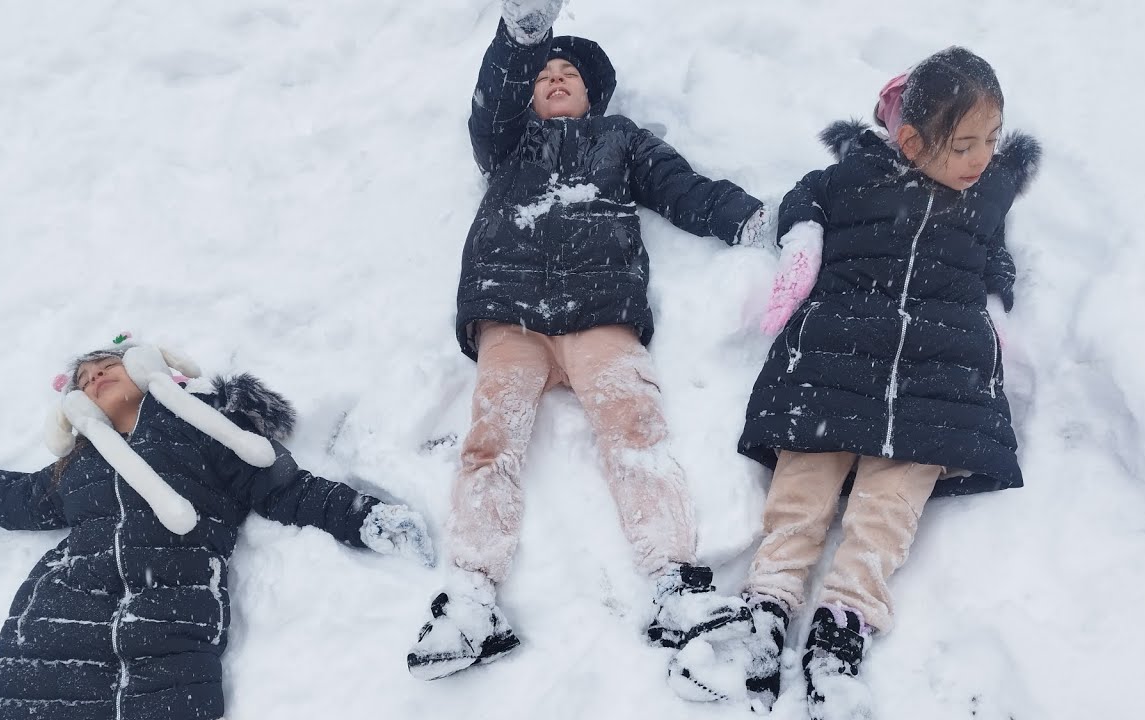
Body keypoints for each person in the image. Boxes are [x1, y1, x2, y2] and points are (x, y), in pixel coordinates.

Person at [406, 0, 772, 685]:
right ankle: (472, 596)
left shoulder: (620, 139)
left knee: (635, 427)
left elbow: (684, 189)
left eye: (568, 72)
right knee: (490, 442)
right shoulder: (508, 141)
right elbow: (492, 104)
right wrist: (522, 39)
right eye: (543, 72)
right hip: (509, 313)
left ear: (593, 93)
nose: (554, 77)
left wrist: (750, 220)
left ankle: (672, 583)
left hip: (600, 311)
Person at [677, 47, 1042, 714]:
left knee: (888, 508)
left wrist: (996, 302)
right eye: (964, 145)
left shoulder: (986, 195)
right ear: (911, 141)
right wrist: (802, 243)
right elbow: (803, 201)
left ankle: (842, 628)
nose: (982, 158)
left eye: (993, 139)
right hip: (837, 352)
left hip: (936, 375)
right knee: (802, 487)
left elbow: (992, 256)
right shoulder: (854, 179)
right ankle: (767, 607)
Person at [0, 336, 435, 720]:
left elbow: (284, 488)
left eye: (107, 365)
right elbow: (11, 498)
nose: (94, 376)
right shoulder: (78, 465)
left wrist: (365, 516)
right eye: (84, 379)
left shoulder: (202, 426)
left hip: (171, 610)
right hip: (63, 613)